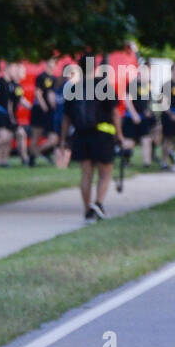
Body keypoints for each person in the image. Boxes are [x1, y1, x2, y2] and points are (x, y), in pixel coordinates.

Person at [63, 55, 124, 222]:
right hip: (102, 135)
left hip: (81, 135)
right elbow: (115, 112)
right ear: (95, 67)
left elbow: (66, 118)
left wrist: (63, 140)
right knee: (105, 173)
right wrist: (119, 135)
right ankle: (98, 203)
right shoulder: (104, 86)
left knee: (86, 174)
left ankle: (87, 209)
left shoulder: (73, 88)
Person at [31, 59, 61, 165]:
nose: (53, 64)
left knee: (53, 137)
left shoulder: (55, 78)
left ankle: (37, 153)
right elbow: (38, 93)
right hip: (40, 110)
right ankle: (32, 160)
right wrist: (44, 106)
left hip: (50, 112)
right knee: (36, 135)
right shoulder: (41, 77)